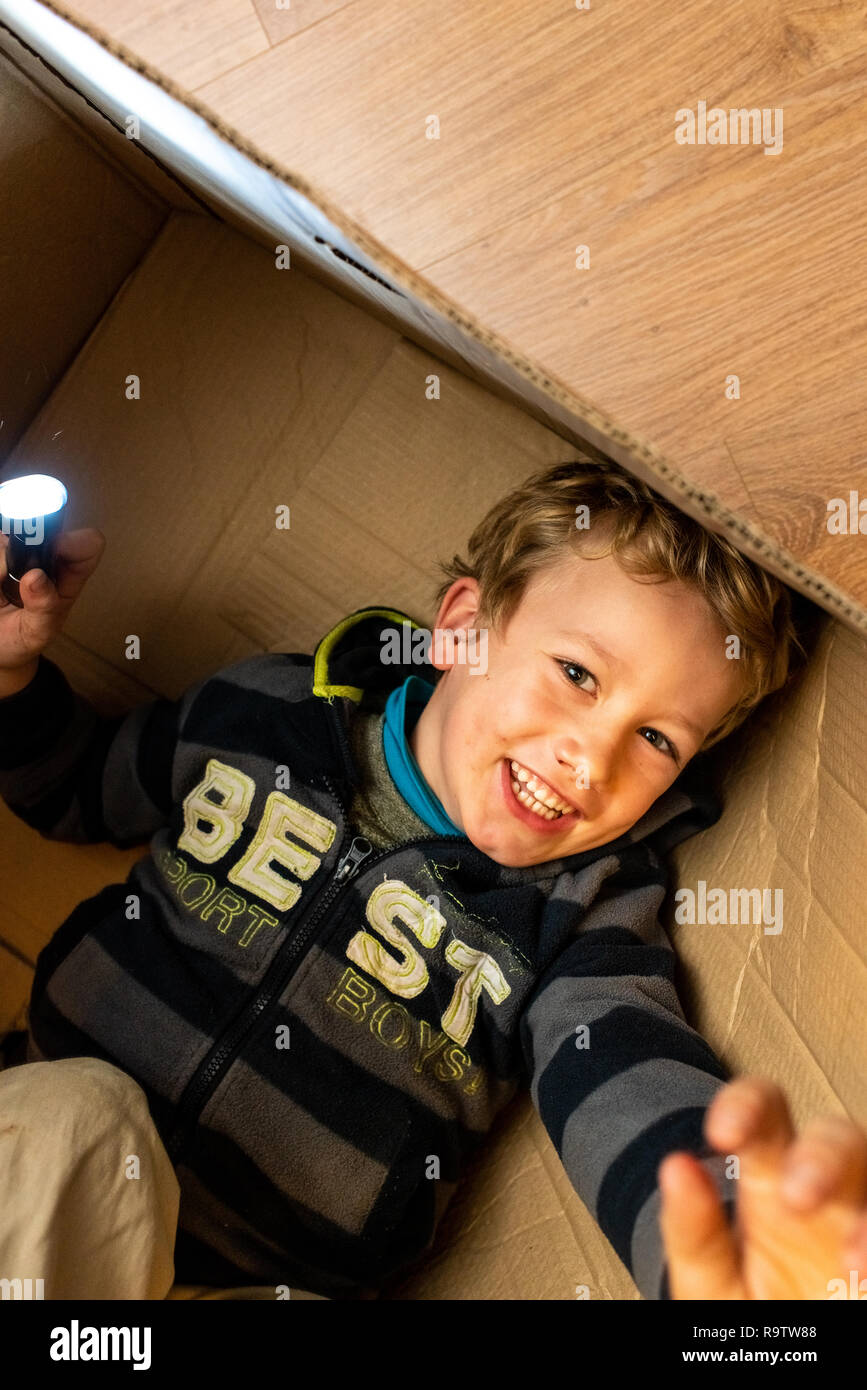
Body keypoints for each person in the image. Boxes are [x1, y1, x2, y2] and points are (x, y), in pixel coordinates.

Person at [0, 456, 865, 1302]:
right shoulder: (262, 713)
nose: (590, 757)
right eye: (576, 675)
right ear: (461, 628)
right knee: (76, 1115)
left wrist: (722, 1235)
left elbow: (623, 1078)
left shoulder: (582, 906)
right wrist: (13, 678)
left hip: (275, 1281)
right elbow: (77, 784)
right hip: (46, 1175)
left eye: (656, 740)